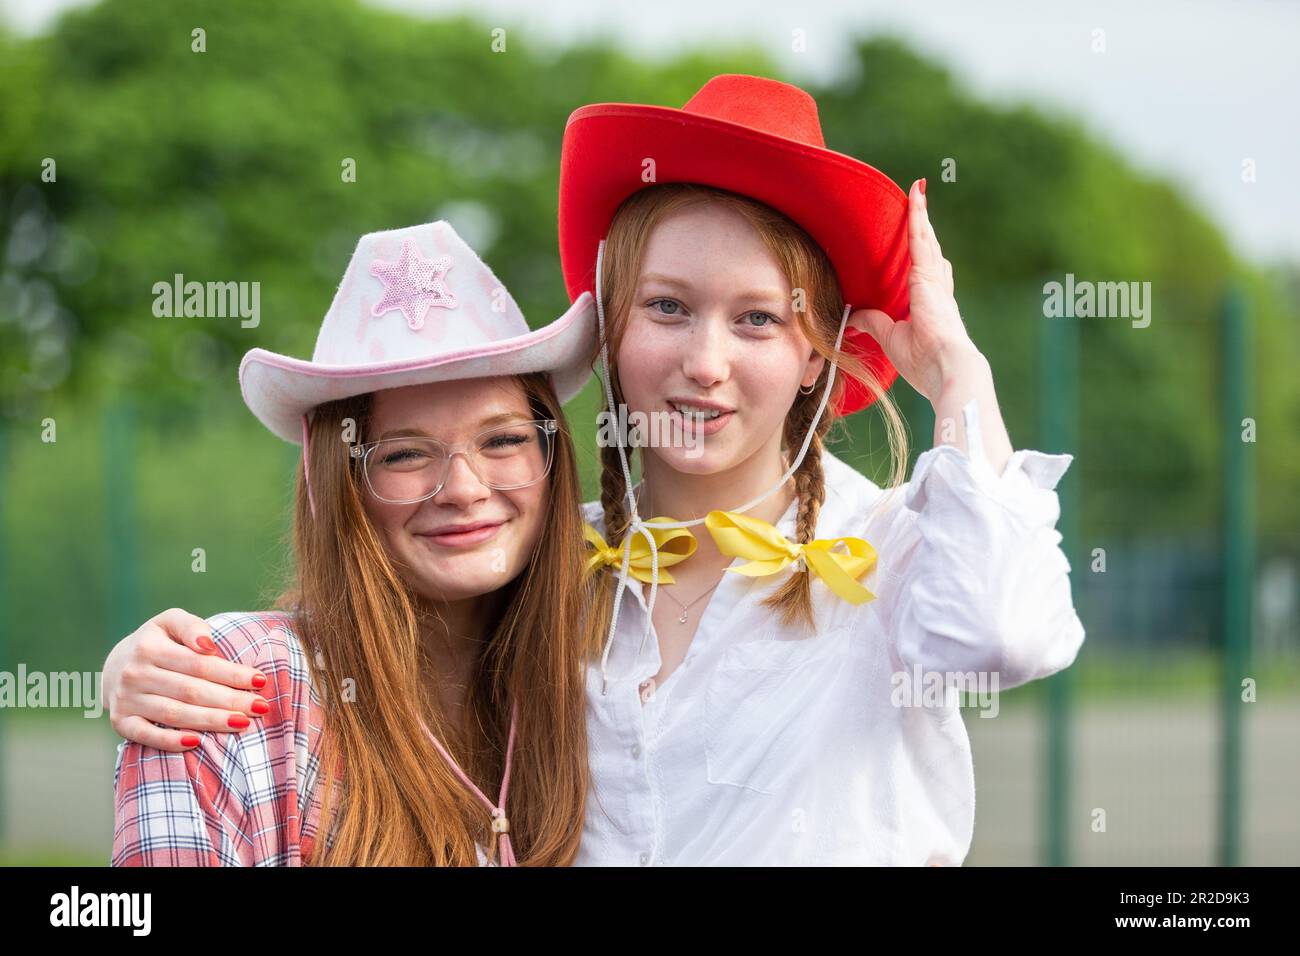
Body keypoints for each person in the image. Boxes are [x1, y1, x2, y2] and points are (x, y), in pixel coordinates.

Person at [106, 75, 1085, 866]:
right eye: (667, 306)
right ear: (609, 326)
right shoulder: (545, 565)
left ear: (818, 355)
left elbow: (1003, 633)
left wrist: (956, 366)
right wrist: (147, 666)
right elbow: (385, 635)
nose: (706, 359)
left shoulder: (902, 543)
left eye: (757, 317)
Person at [111, 221, 599, 866]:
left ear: (552, 452)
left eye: (503, 440)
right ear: (339, 486)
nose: (464, 488)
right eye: (403, 454)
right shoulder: (233, 686)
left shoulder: (616, 640)